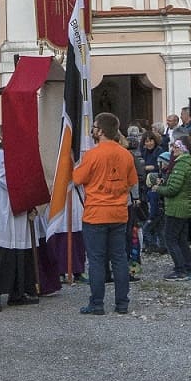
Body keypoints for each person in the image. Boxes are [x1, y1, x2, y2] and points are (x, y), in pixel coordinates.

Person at [72, 111, 140, 315]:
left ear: (100, 131)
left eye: (94, 126)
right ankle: (122, 303)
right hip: (119, 213)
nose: (92, 129)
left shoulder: (93, 155)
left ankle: (97, 303)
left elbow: (77, 179)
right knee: (119, 258)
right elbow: (131, 183)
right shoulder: (125, 154)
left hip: (95, 213)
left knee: (96, 260)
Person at [0, 126, 40, 310]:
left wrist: (31, 199)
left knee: (21, 253)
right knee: (3, 254)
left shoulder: (23, 154)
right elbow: (4, 179)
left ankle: (18, 293)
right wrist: (26, 189)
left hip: (20, 209)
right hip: (4, 210)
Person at [158, 135, 191, 279]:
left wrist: (158, 188)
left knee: (170, 238)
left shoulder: (181, 165)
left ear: (183, 149)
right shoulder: (188, 164)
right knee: (181, 239)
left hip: (177, 207)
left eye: (176, 146)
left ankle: (180, 269)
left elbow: (173, 189)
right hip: (183, 206)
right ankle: (187, 268)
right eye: (173, 146)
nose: (173, 149)